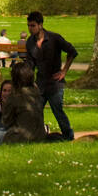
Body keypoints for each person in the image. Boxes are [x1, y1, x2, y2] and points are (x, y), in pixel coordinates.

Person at [25, 10, 77, 142]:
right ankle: (37, 135)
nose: (30, 29)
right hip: (40, 83)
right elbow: (30, 64)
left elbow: (72, 52)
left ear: (40, 25)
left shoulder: (54, 38)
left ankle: (68, 135)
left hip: (55, 83)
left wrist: (64, 70)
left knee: (57, 109)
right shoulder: (30, 43)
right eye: (29, 26)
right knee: (36, 111)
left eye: (33, 26)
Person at [0, 59, 46, 145]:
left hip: (23, 137)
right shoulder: (36, 92)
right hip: (40, 135)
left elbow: (6, 121)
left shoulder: (16, 95)